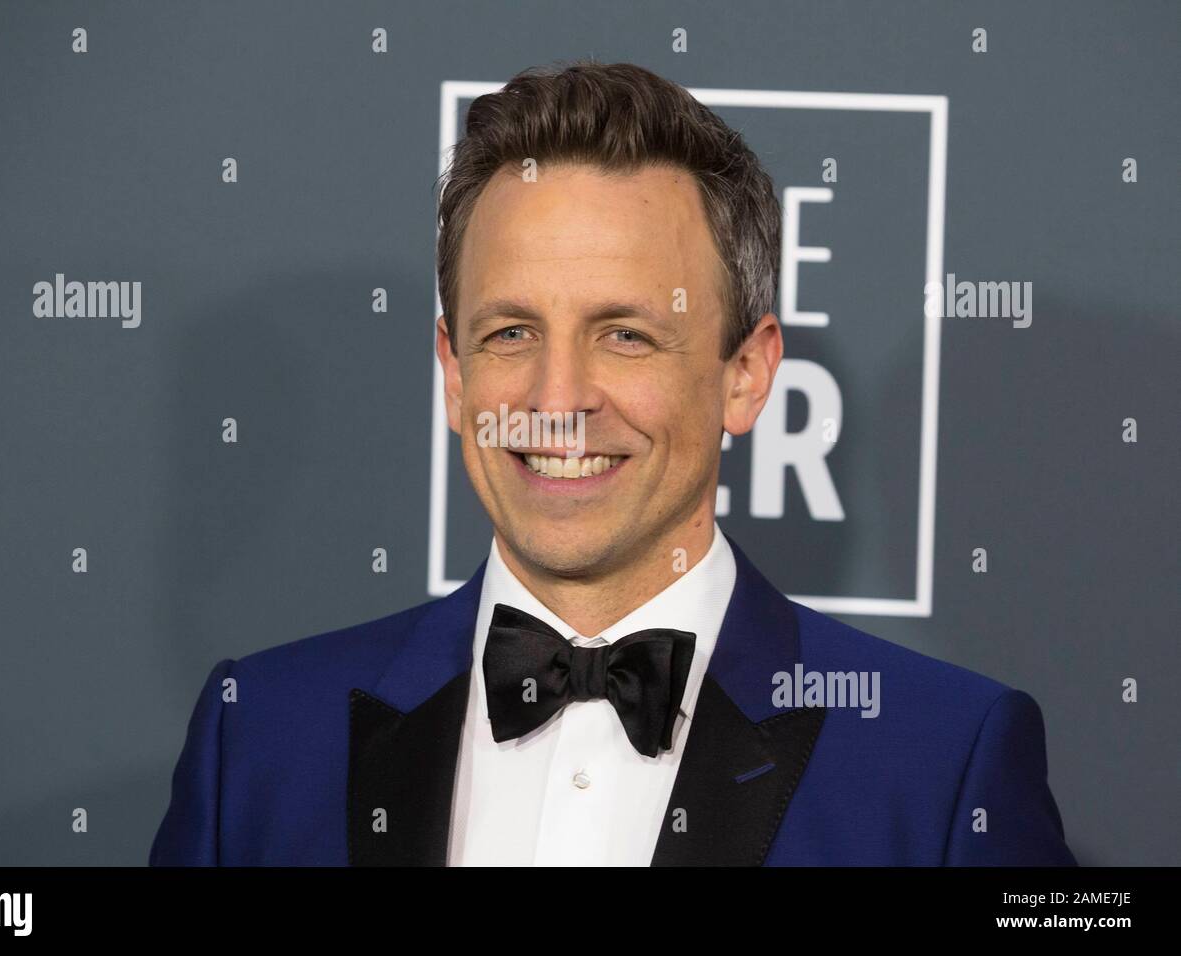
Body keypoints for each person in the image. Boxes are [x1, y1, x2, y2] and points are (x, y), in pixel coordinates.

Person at [149, 60, 1076, 866]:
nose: (559, 402)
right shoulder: (261, 738)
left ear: (746, 376)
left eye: (626, 336)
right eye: (512, 332)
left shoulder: (942, 764)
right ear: (453, 374)